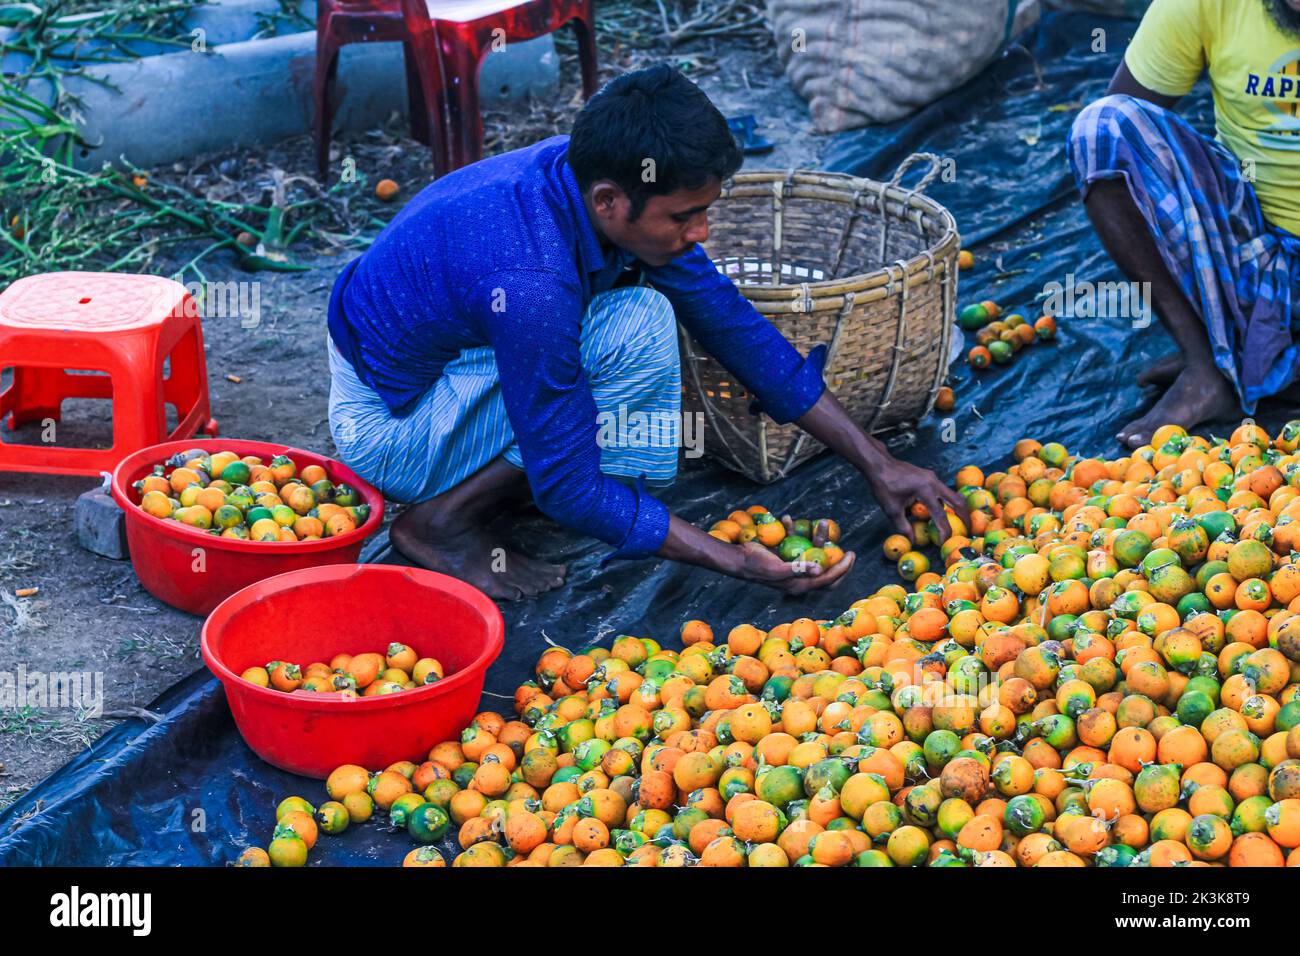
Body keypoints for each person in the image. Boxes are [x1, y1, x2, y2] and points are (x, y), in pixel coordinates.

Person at [327, 64, 965, 601]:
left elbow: (732, 325)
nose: (702, 232)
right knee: (632, 331)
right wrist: (733, 560)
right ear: (609, 202)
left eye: (706, 211)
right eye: (686, 217)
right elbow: (569, 485)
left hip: (450, 362)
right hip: (393, 427)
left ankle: (499, 482)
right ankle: (443, 520)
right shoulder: (530, 282)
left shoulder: (600, 179)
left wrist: (877, 463)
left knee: (643, 318)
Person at [1069, 0, 1300, 449]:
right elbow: (1119, 129)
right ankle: (1207, 365)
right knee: (1101, 128)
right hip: (1247, 252)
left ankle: (1250, 363)